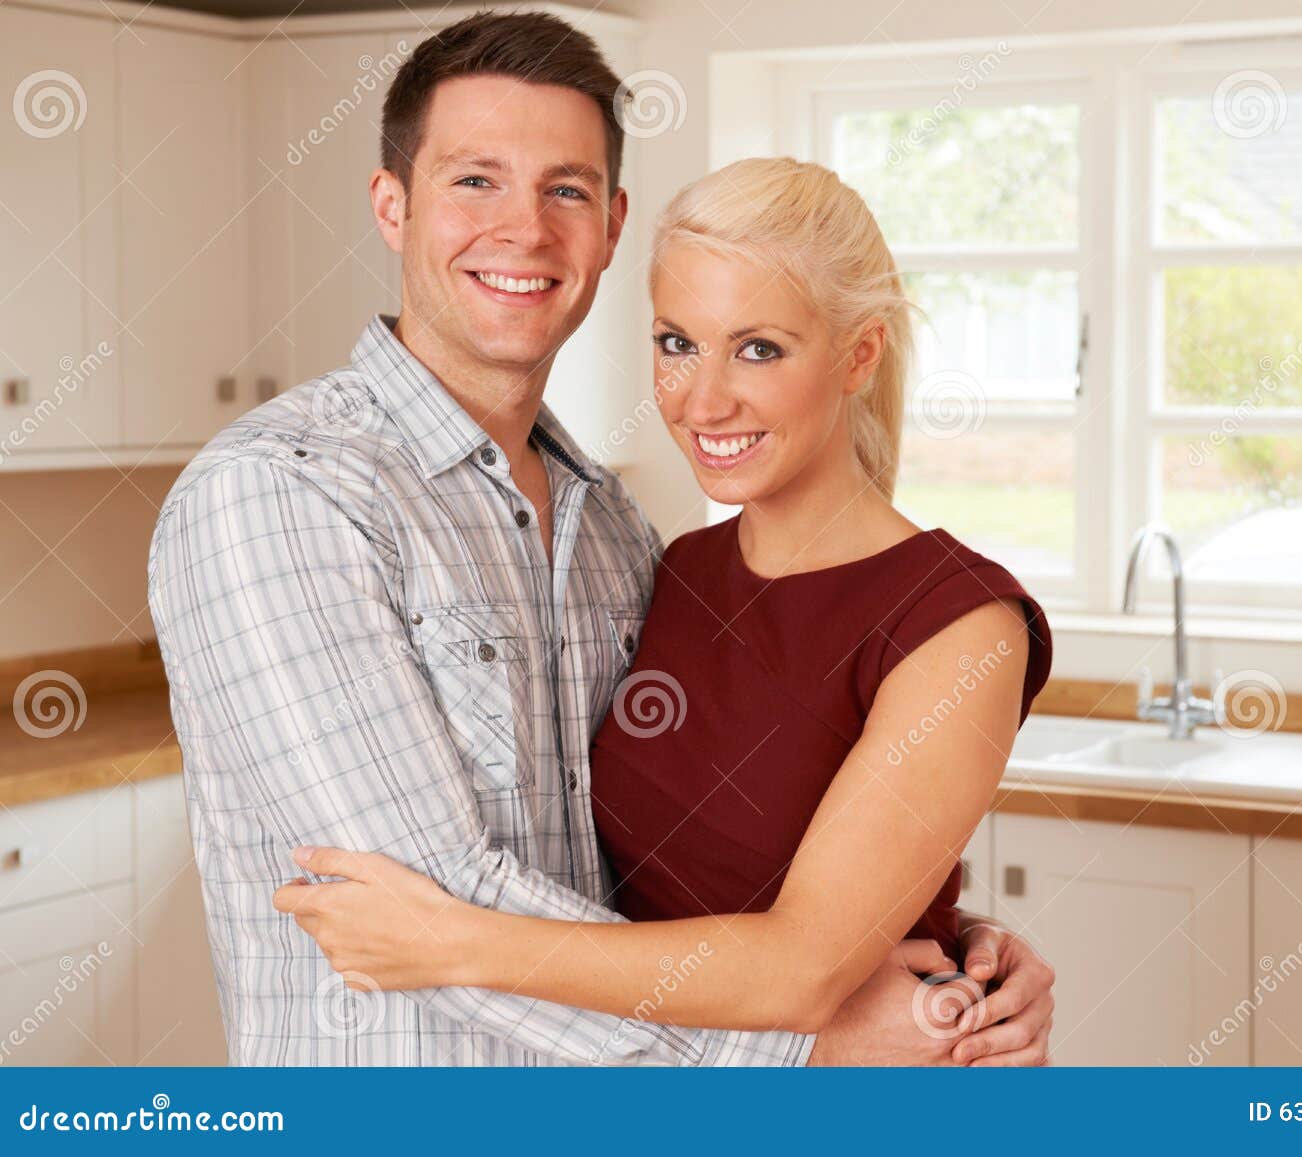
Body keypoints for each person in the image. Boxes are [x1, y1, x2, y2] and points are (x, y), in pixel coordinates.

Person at [149, 11, 1052, 1066]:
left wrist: (946, 954)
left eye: (564, 188)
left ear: (610, 226)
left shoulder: (621, 536)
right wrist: (814, 1040)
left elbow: (665, 880)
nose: (525, 230)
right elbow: (420, 905)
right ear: (391, 205)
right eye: (475, 179)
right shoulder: (281, 495)